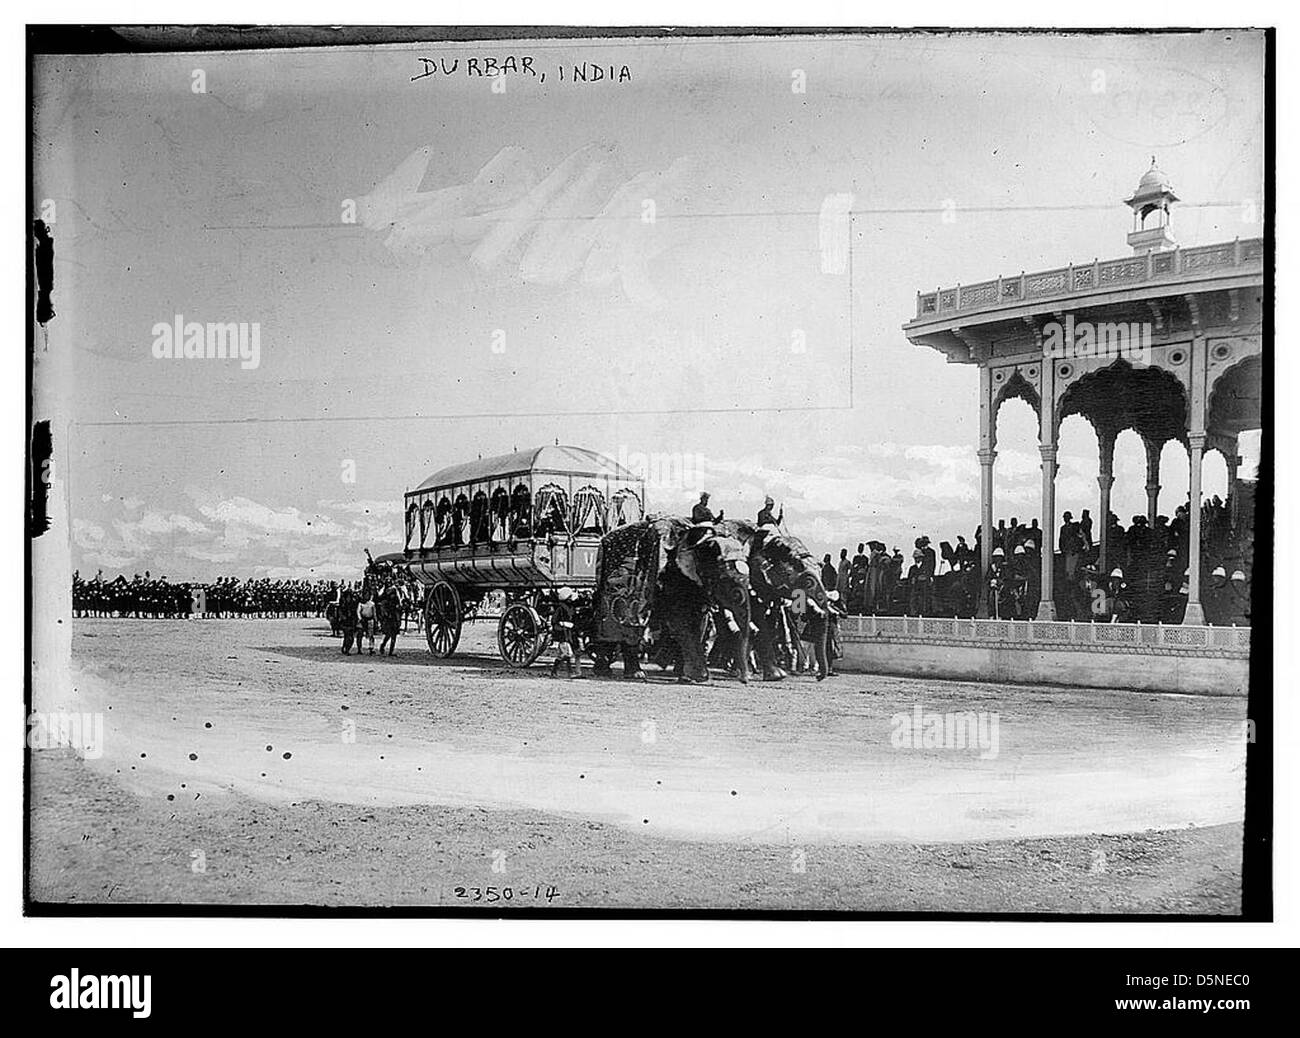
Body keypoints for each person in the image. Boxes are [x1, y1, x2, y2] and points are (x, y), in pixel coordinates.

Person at [550, 587, 582, 678]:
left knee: (565, 654)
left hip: (569, 633)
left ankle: (564, 672)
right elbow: (554, 621)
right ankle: (561, 672)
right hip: (563, 634)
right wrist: (564, 624)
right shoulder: (560, 609)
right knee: (566, 654)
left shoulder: (570, 607)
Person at [377, 582, 402, 656]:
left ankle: (391, 651)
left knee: (393, 636)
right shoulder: (385, 601)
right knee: (388, 635)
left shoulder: (396, 600)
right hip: (388, 619)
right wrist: (386, 614)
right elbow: (383, 609)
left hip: (394, 619)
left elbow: (399, 608)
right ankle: (383, 645)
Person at [358, 585, 378, 655]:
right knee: (360, 635)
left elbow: (374, 613)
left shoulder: (372, 604)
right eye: (366, 595)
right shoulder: (361, 603)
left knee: (371, 635)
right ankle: (359, 649)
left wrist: (376, 621)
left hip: (370, 620)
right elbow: (358, 612)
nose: (367, 596)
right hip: (362, 620)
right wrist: (360, 619)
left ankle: (371, 648)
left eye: (368, 595)